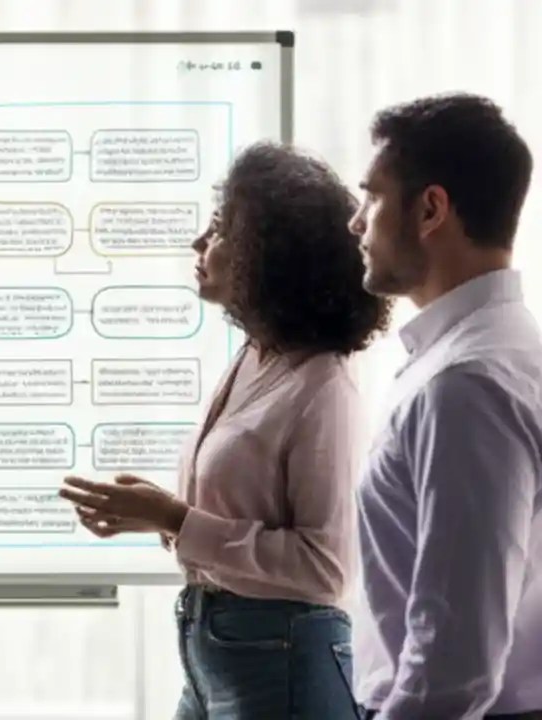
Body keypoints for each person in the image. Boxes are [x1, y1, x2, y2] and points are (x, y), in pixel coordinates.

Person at [59, 141, 391, 718]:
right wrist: (159, 519)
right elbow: (238, 526)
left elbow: (324, 567)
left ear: (266, 258)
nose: (198, 244)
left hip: (281, 660)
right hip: (215, 653)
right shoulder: (254, 356)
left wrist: (174, 517)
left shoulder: (323, 387)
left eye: (218, 231)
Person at [349, 93, 542, 719]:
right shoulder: (492, 354)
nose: (356, 222)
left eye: (371, 196)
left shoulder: (465, 384)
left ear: (431, 209)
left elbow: (454, 664)